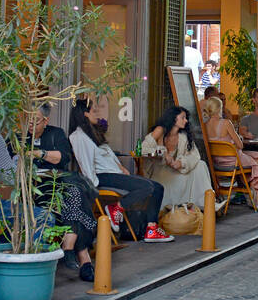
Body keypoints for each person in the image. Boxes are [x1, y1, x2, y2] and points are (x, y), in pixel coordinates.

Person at [69, 98, 174, 241]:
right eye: (94, 111)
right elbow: (86, 163)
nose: (97, 113)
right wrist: (92, 188)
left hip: (113, 173)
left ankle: (151, 229)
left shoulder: (92, 132)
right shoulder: (78, 136)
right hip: (102, 176)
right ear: (85, 114)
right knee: (147, 187)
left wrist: (121, 167)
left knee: (158, 187)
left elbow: (108, 153)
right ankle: (115, 208)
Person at [27, 105, 99, 282]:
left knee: (73, 193)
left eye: (35, 121)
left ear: (46, 121)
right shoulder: (19, 138)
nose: (30, 125)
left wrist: (39, 154)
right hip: (37, 189)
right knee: (76, 198)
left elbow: (63, 157)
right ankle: (83, 259)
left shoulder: (55, 133)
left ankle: (69, 248)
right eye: (27, 120)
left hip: (60, 182)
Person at [141, 105, 214, 212]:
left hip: (176, 170)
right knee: (180, 177)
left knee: (201, 165)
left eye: (186, 118)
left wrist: (181, 163)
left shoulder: (183, 136)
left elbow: (195, 155)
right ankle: (184, 207)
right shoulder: (160, 130)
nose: (186, 120)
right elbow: (144, 149)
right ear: (173, 118)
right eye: (183, 117)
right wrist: (163, 153)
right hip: (160, 170)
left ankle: (206, 204)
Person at [202, 95, 258, 210]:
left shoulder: (205, 126)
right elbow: (240, 145)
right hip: (233, 161)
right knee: (257, 160)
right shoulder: (226, 123)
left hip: (217, 162)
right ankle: (256, 197)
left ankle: (249, 193)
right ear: (219, 109)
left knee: (256, 156)